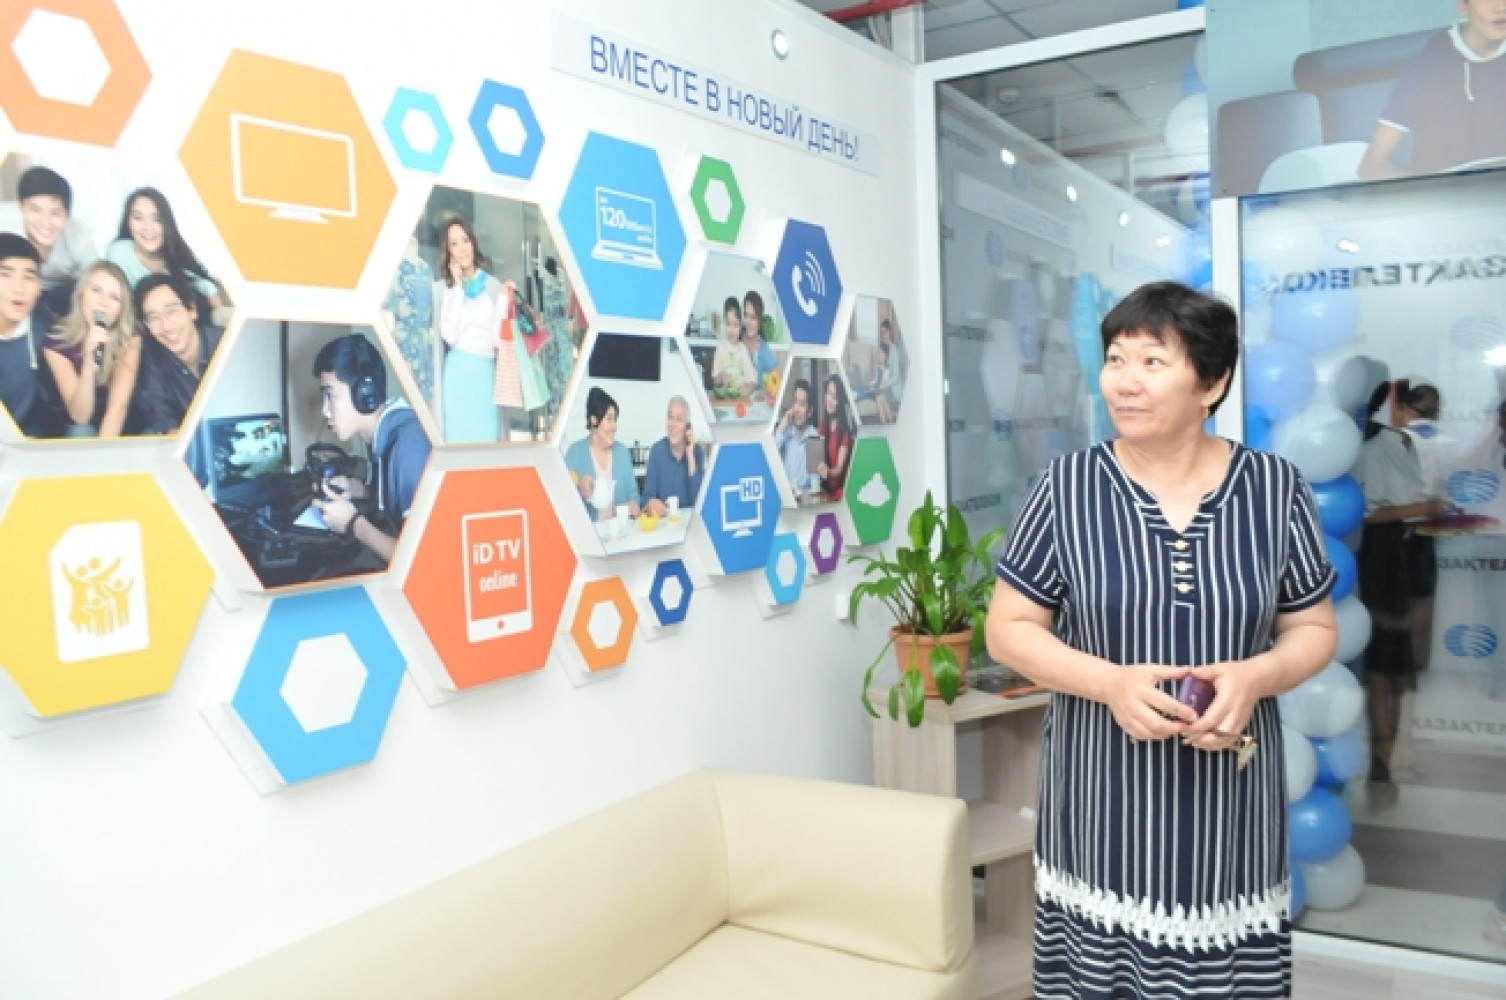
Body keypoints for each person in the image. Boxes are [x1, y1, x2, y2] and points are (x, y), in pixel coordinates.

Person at [985, 281, 1339, 999]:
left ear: (1212, 383)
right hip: (1101, 802)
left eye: (1152, 361)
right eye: (1116, 360)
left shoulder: (1275, 491)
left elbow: (1313, 628)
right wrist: (1111, 683)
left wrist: (1255, 677)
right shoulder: (1065, 488)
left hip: (1229, 814)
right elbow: (1008, 630)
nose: (1126, 381)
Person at [1355, 380, 1454, 790]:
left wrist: (1425, 511)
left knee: (1404, 658)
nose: (1425, 419)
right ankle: (1384, 755)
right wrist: (1423, 507)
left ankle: (1398, 750)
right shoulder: (1372, 447)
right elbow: (1370, 513)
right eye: (1418, 409)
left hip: (1408, 552)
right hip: (1381, 558)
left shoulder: (1404, 444)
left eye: (1432, 413)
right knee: (1384, 660)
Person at [310, 335, 431, 566]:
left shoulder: (408, 446)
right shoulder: (386, 432)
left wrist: (352, 523)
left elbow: (421, 560)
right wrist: (357, 489)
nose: (325, 411)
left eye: (330, 395)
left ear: (364, 394)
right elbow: (397, 496)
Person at [1357, 0, 1506, 180]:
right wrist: (1435, 190)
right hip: (1449, 192)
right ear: (1463, 6)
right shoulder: (1426, 66)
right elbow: (1371, 167)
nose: (1501, 7)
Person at [105, 187, 231, 327]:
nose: (147, 227)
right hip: (141, 324)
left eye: (157, 219)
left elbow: (205, 285)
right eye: (138, 218)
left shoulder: (175, 255)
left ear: (167, 223)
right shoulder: (118, 253)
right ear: (128, 222)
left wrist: (219, 313)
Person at [42, 260, 140, 437]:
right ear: (81, 294)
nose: (104, 302)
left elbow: (118, 407)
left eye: (114, 297)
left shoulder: (130, 335)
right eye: (96, 290)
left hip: (122, 424)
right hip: (80, 425)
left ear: (121, 308)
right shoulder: (56, 343)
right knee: (81, 431)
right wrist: (88, 367)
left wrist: (103, 453)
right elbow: (81, 417)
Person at [434, 216, 506, 443]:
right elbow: (449, 336)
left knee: (487, 444)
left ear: (473, 243)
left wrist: (505, 302)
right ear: (449, 252)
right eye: (454, 243)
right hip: (458, 374)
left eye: (465, 240)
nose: (462, 248)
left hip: (485, 374)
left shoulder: (492, 286)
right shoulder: (447, 290)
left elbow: (498, 340)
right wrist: (457, 287)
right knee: (457, 445)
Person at [128, 273, 220, 435]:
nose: (166, 326)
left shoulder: (225, 343)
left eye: (171, 312)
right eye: (154, 318)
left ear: (192, 310)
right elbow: (156, 406)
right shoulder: (155, 359)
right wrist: (172, 432)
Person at [0, 166, 98, 316]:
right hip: (14, 288)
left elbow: (98, 280)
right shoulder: (4, 220)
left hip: (60, 296)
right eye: (35, 210)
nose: (45, 223)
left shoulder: (79, 237)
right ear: (21, 207)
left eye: (55, 213)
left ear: (67, 215)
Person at [0, 232, 64, 437]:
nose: (18, 288)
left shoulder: (45, 326)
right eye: (5, 275)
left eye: (28, 277)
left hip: (32, 440)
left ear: (39, 287)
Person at [564, 386, 640, 522]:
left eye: (615, 420)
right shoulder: (574, 453)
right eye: (609, 419)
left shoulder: (622, 452)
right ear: (594, 420)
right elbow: (563, 501)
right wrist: (579, 489)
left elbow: (634, 495)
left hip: (621, 531)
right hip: (588, 533)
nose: (614, 426)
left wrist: (634, 505)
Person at [642, 395, 703, 516]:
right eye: (670, 417)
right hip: (664, 522)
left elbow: (699, 502)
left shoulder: (697, 453)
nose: (672, 424)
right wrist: (651, 504)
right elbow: (645, 499)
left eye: (679, 419)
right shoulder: (656, 451)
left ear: (687, 427)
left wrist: (690, 454)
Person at [775, 377, 821, 502]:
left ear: (810, 411)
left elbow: (815, 484)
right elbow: (770, 456)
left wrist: (805, 497)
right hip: (783, 497)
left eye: (802, 404)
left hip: (804, 499)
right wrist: (784, 426)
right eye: (795, 402)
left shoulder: (814, 437)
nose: (797, 409)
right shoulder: (785, 429)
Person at [815, 373, 853, 500]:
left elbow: (839, 469)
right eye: (828, 393)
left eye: (835, 397)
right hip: (823, 490)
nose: (830, 400)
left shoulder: (844, 432)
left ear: (840, 401)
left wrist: (828, 472)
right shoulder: (822, 426)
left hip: (839, 494)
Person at [711, 297, 755, 393]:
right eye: (728, 324)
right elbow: (715, 380)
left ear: (741, 325)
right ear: (724, 323)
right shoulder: (721, 347)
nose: (731, 330)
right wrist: (722, 377)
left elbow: (751, 379)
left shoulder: (743, 349)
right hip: (725, 397)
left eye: (735, 325)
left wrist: (748, 388)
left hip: (739, 397)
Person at [742, 289, 777, 377]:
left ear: (760, 320)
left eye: (753, 317)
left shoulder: (763, 349)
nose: (749, 322)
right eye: (746, 315)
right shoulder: (736, 341)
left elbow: (775, 379)